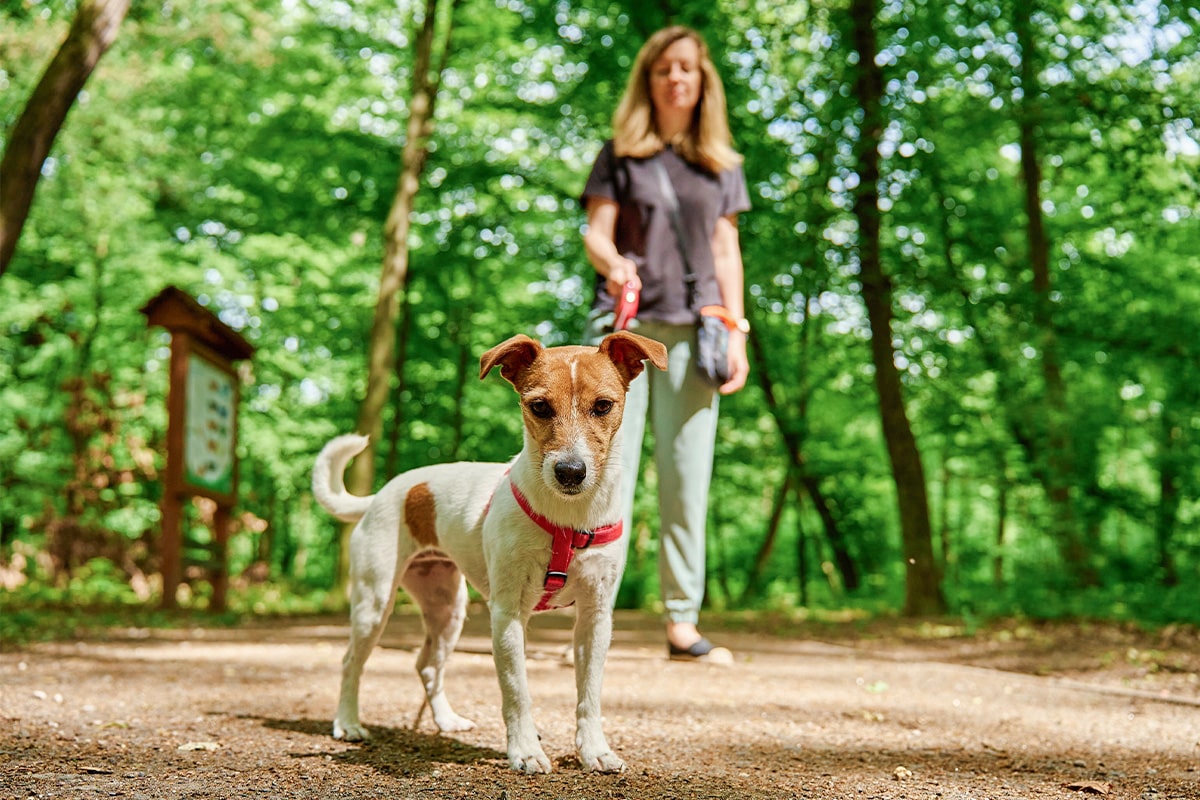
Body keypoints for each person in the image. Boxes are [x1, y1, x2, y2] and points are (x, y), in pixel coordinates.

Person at [580, 25, 751, 664]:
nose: (675, 78)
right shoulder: (620, 155)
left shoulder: (721, 166)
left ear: (702, 80)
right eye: (662, 69)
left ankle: (682, 622)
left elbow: (726, 249)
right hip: (627, 340)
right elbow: (595, 233)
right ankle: (595, 607)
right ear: (647, 80)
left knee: (687, 480)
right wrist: (615, 263)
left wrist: (736, 328)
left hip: (699, 333)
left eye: (686, 68)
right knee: (608, 473)